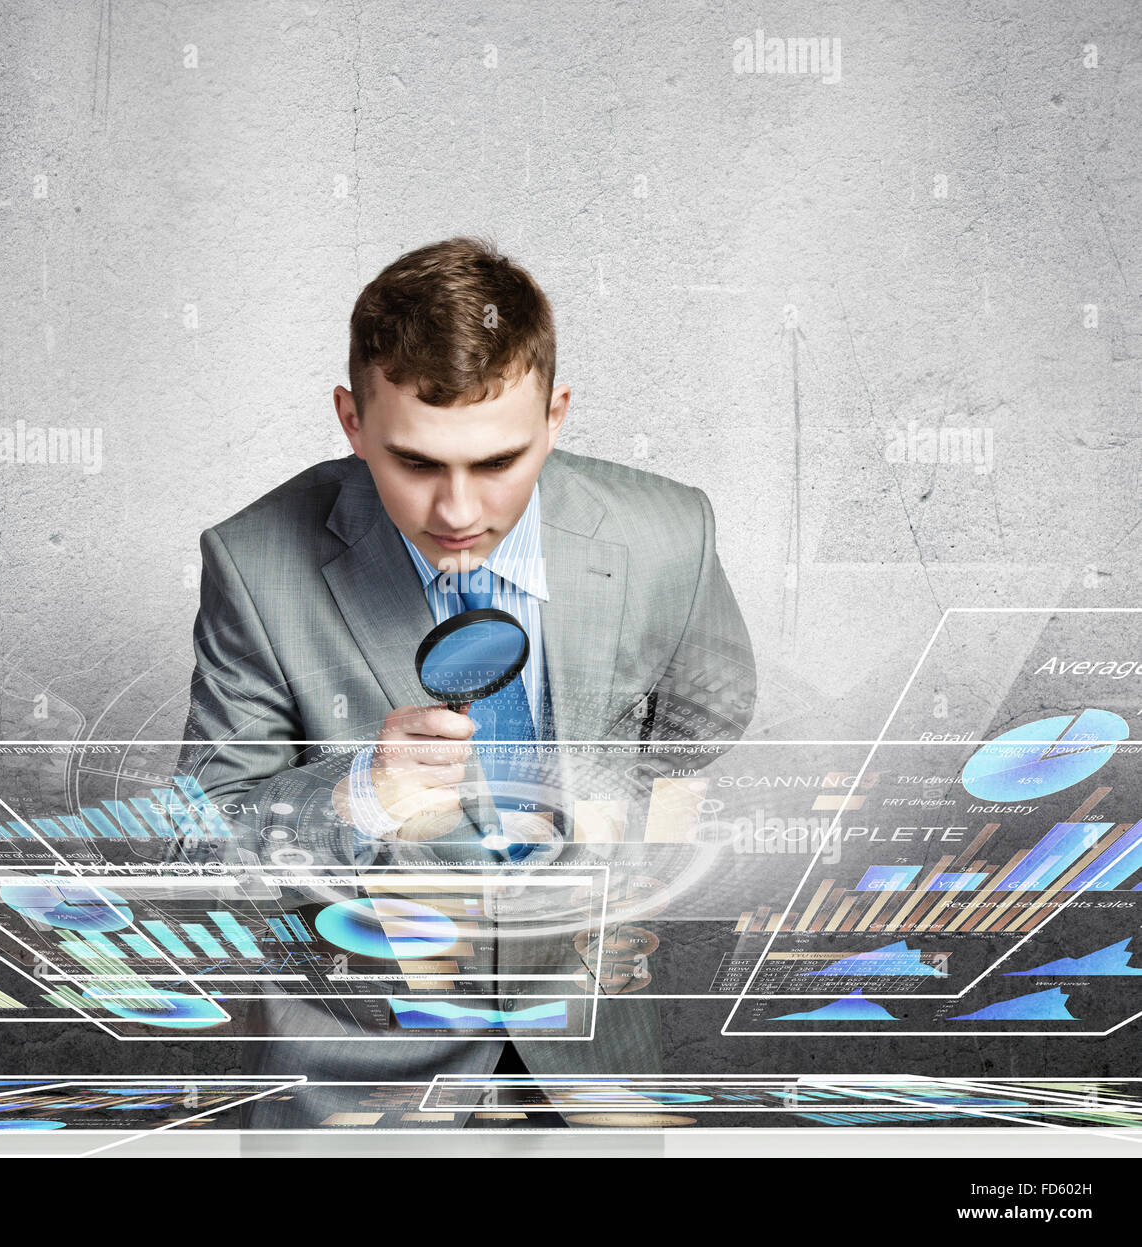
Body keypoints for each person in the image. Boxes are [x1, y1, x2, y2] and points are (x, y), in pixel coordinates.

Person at [175, 236, 756, 1129]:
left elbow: (709, 712)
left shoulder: (670, 532)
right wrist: (358, 792)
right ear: (352, 421)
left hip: (594, 1059)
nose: (457, 511)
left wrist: (602, 806)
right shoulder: (254, 563)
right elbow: (200, 852)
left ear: (556, 417)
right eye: (415, 462)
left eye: (496, 463)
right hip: (361, 1075)